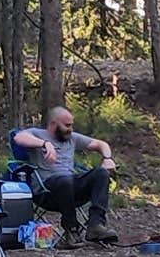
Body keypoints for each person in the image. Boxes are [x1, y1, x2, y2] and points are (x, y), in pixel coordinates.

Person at [25, 104, 116, 245]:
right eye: (67, 125)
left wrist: (107, 158)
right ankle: (71, 229)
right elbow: (18, 137)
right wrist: (45, 144)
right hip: (47, 192)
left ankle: (96, 226)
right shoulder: (37, 134)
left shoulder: (72, 138)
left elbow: (101, 144)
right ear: (53, 124)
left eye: (72, 125)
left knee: (101, 173)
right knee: (64, 180)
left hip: (71, 187)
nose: (71, 129)